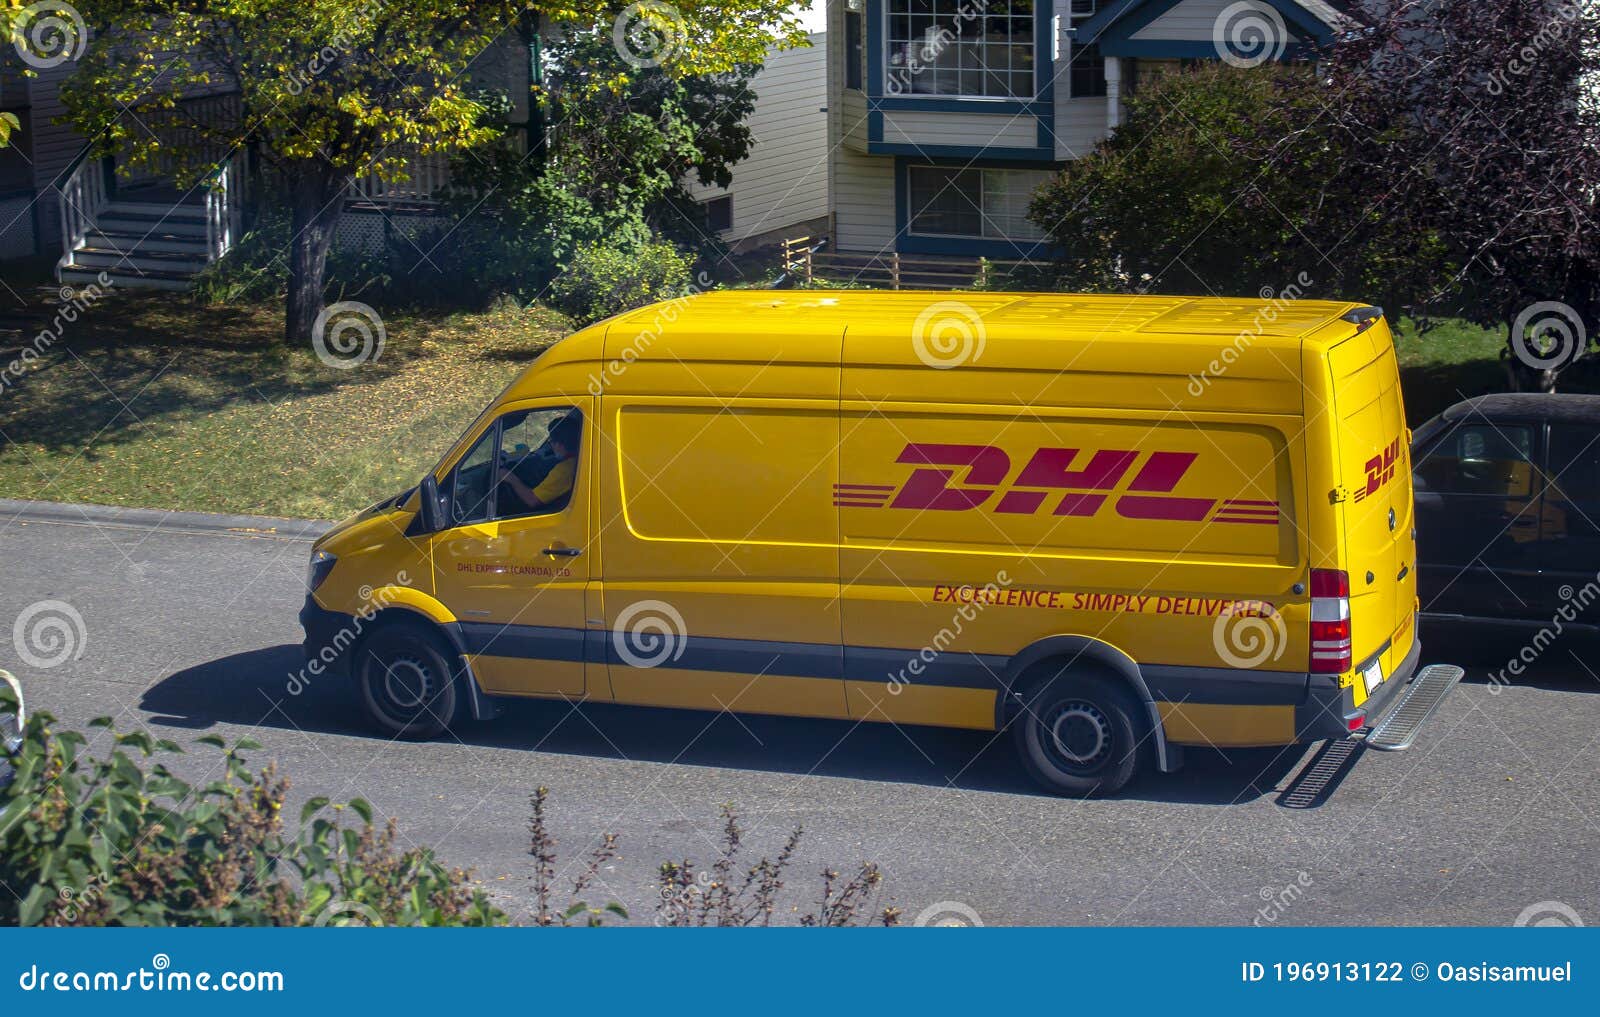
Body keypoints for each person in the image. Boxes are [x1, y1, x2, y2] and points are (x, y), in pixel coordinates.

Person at [498, 415, 580, 513]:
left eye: (551, 441)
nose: (551, 445)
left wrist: (511, 478)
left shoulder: (564, 470)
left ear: (559, 445)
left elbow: (533, 501)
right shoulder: (575, 460)